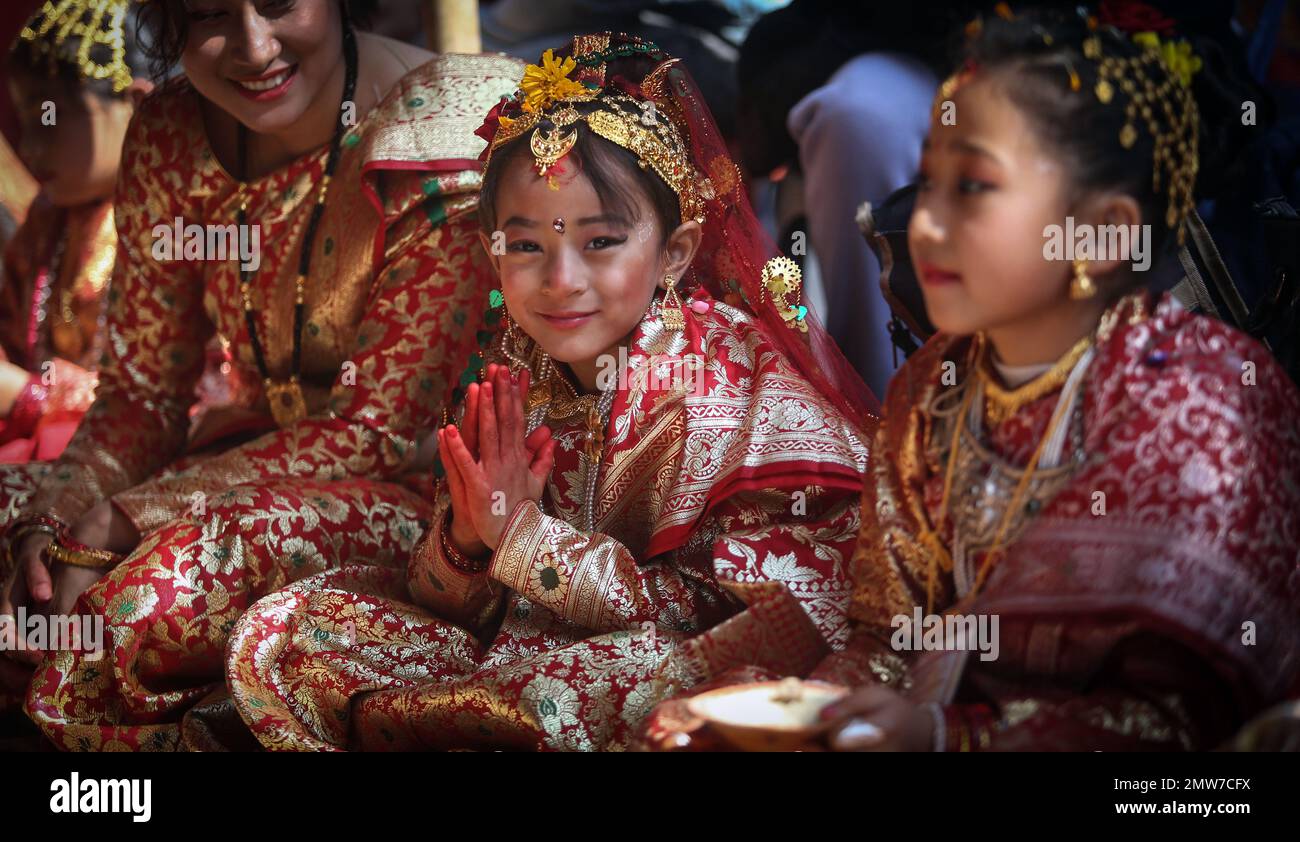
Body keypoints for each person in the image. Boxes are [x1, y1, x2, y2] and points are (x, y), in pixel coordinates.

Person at [643, 6, 1300, 752]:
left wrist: (941, 736)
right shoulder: (934, 388)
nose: (923, 224)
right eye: (928, 183)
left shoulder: (1200, 410)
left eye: (975, 187)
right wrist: (824, 711)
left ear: (1104, 231)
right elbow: (891, 634)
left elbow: (1182, 729)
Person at [222, 32, 875, 751]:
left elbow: (734, 613)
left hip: (693, 654)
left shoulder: (727, 386)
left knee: (580, 694)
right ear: (490, 252)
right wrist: (468, 540)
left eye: (600, 243)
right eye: (527, 245)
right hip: (531, 649)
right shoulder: (512, 370)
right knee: (299, 633)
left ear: (675, 253)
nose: (560, 281)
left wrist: (523, 539)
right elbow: (457, 606)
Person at [2, 0, 521, 750]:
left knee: (156, 587)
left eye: (279, 3)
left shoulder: (441, 131)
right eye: (210, 13)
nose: (252, 47)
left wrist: (120, 521)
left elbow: (378, 432)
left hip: (427, 497)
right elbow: (145, 395)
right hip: (233, 461)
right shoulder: (170, 133)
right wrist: (59, 520)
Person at [0, 0, 155, 465]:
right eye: (27, 122)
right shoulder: (46, 220)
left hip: (122, 454)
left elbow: (193, 400)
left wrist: (31, 396)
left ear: (135, 105)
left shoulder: (171, 221)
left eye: (51, 119)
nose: (31, 145)